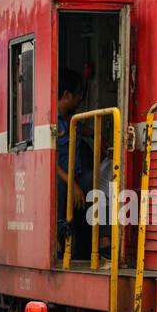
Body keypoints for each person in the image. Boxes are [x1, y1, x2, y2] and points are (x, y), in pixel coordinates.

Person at [55, 69, 90, 259]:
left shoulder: (70, 119)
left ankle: (99, 244)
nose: (80, 101)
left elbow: (80, 129)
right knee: (59, 188)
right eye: (78, 96)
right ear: (67, 95)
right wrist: (72, 184)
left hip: (74, 176)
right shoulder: (48, 119)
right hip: (59, 178)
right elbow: (50, 164)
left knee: (95, 181)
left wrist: (100, 136)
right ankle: (60, 246)